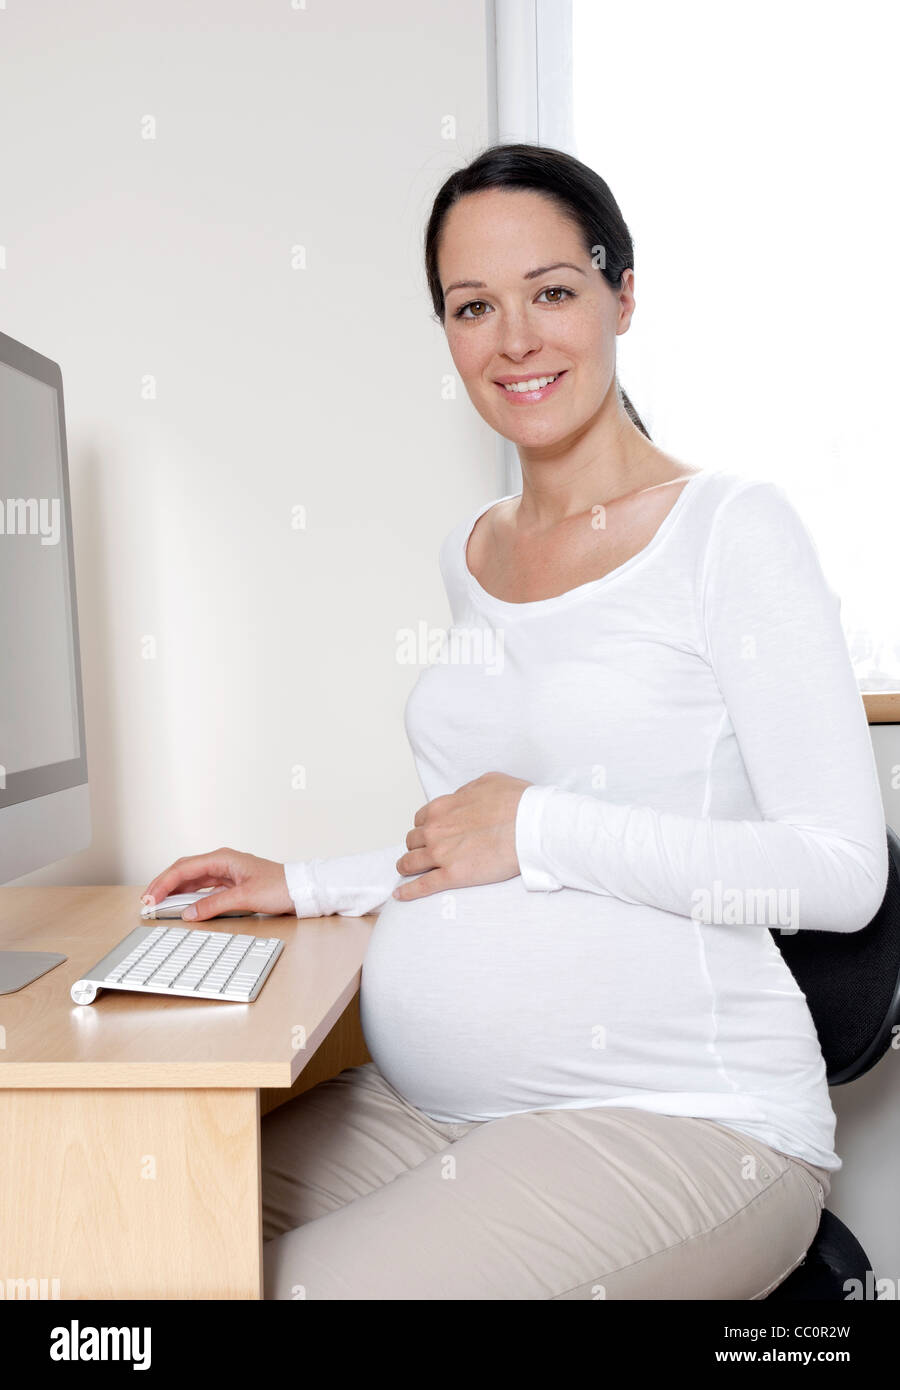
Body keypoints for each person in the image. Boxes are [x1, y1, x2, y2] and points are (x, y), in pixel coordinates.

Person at [142, 143, 888, 1300]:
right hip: (433, 1108)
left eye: (553, 292)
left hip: (680, 1117)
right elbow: (475, 836)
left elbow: (840, 872)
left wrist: (540, 824)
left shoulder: (731, 530)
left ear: (622, 293)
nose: (515, 340)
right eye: (472, 306)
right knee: (127, 1235)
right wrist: (311, 876)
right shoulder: (475, 548)